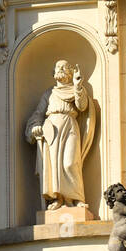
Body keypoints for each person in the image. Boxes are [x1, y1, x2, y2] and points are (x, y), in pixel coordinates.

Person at [25, 59, 91, 209]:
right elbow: (38, 114)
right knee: (53, 166)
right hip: (52, 130)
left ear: (70, 72)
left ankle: (76, 198)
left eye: (64, 67)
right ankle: (58, 199)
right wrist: (35, 126)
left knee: (70, 163)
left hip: (69, 126)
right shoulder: (49, 93)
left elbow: (82, 106)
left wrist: (78, 85)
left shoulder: (75, 89)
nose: (60, 69)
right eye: (57, 67)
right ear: (54, 72)